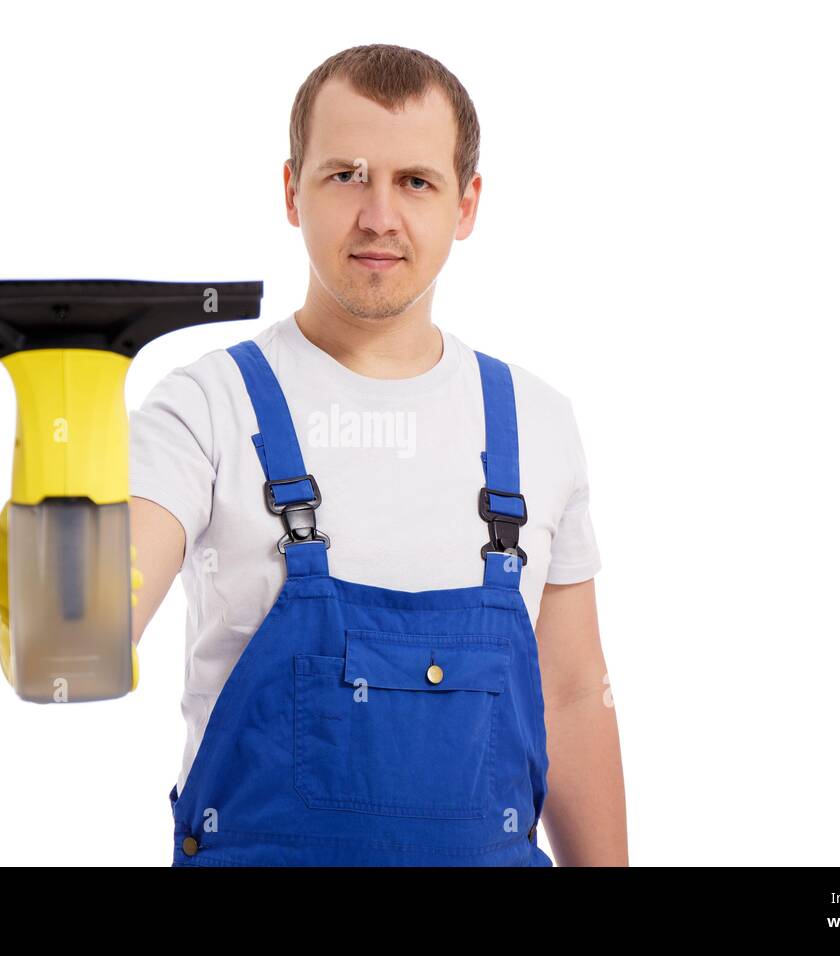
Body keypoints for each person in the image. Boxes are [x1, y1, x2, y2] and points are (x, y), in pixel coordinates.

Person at [128, 43, 627, 866]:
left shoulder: (536, 423)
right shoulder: (207, 407)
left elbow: (573, 695)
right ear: (293, 191)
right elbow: (102, 612)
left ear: (466, 205)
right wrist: (64, 578)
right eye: (347, 175)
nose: (378, 216)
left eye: (415, 182)